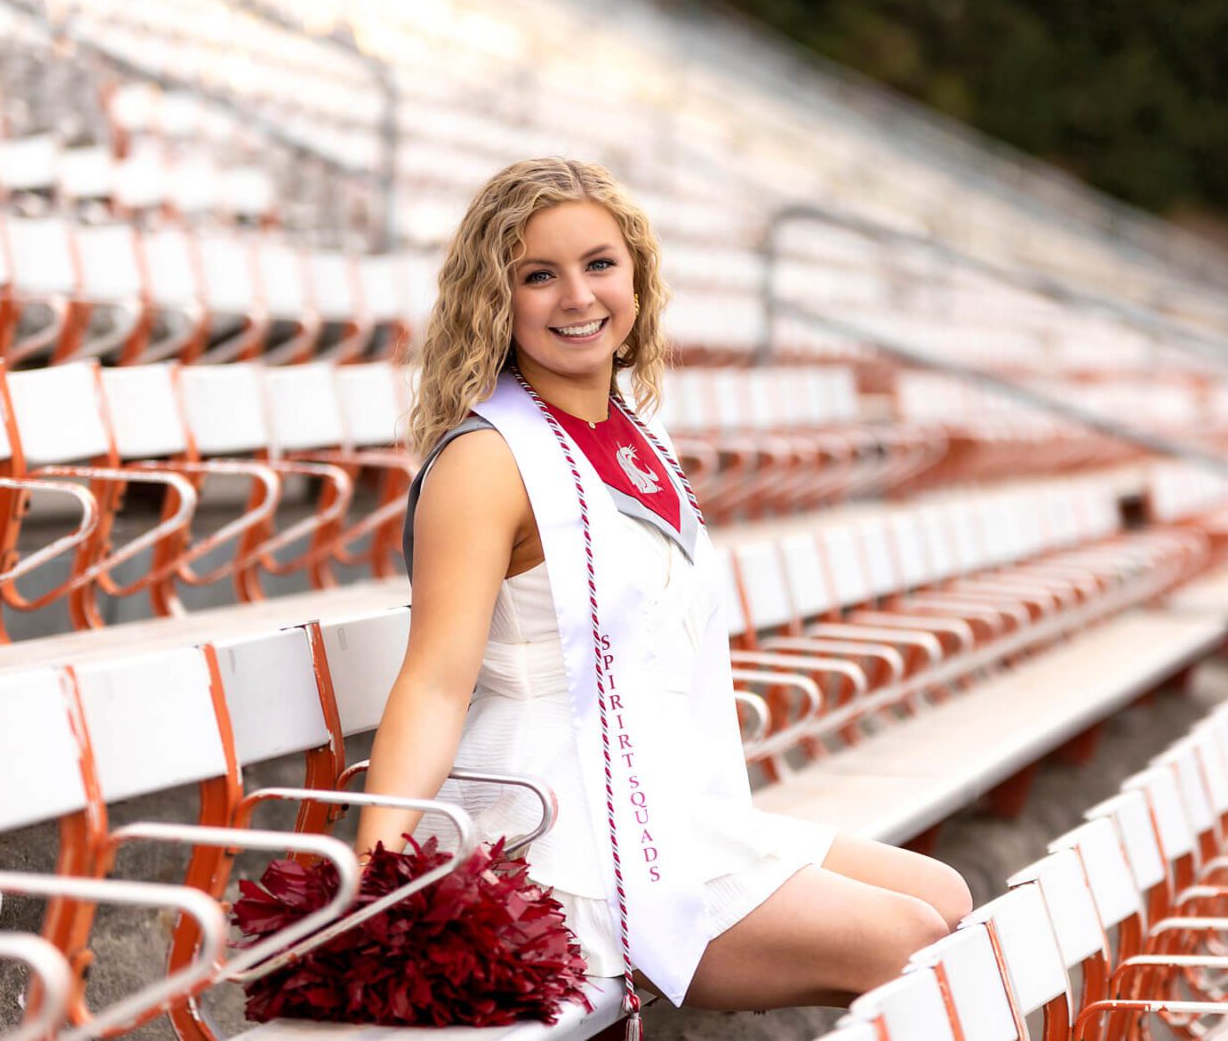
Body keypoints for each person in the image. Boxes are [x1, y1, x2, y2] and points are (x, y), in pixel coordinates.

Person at [354, 158, 970, 1024]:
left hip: (661, 798)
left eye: (599, 264)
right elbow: (434, 681)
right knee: (908, 940)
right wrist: (378, 882)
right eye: (539, 275)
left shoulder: (638, 437)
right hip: (559, 821)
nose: (578, 296)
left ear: (636, 276)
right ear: (496, 297)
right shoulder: (485, 460)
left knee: (946, 897)